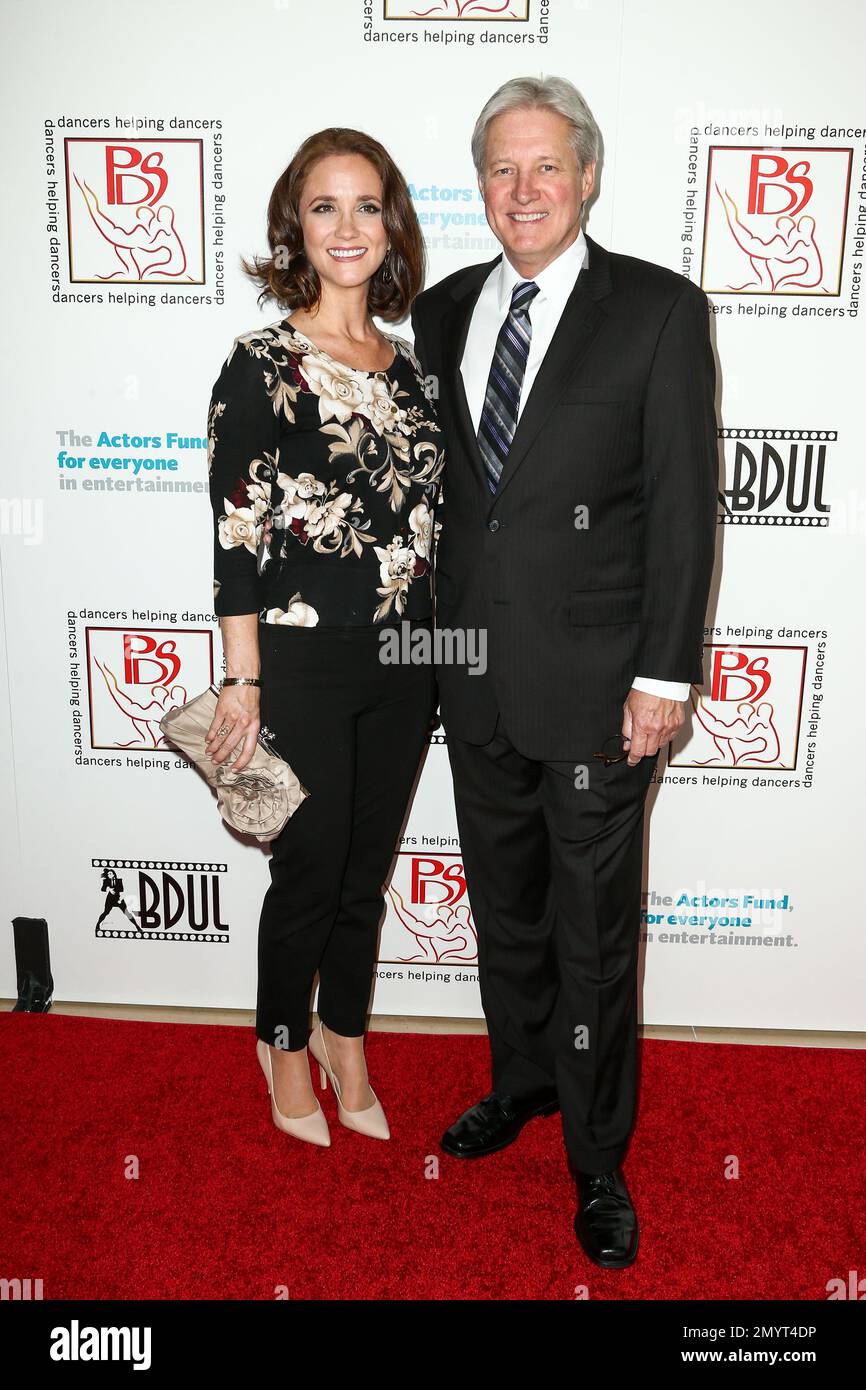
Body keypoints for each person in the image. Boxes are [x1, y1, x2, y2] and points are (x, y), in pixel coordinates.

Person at [410, 76, 718, 1265]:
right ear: (478, 182)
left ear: (587, 173)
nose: (523, 190)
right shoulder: (438, 317)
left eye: (546, 166)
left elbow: (684, 510)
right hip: (473, 681)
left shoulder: (655, 311)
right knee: (508, 917)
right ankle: (525, 1083)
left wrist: (664, 677)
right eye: (501, 167)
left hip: (601, 692)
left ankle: (596, 1162)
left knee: (592, 939)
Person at [204, 127, 443, 1147]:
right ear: (293, 227)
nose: (346, 227)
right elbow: (235, 543)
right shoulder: (259, 365)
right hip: (298, 663)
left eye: (365, 205)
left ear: (390, 224)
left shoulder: (415, 371)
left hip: (409, 661)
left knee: (363, 868)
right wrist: (240, 684)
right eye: (323, 206)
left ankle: (345, 1030)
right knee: (308, 865)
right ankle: (281, 1041)